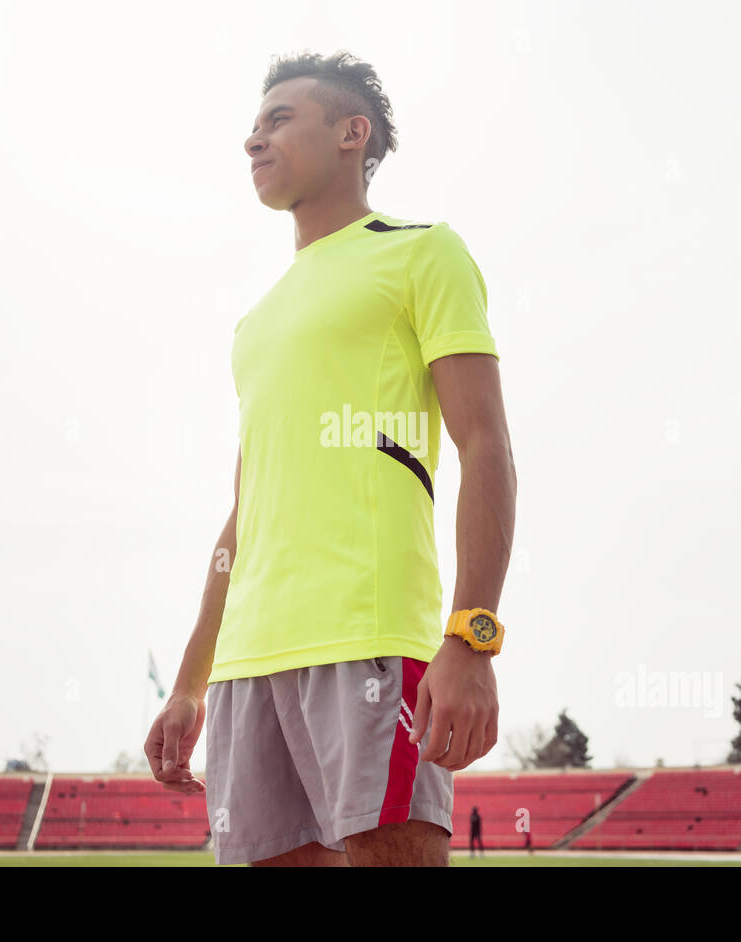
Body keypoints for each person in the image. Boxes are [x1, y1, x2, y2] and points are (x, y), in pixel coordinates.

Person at [143, 50, 517, 868]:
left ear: (354, 133)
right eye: (251, 126)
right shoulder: (256, 322)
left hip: (367, 640)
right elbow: (245, 515)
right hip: (248, 668)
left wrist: (473, 635)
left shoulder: (423, 253)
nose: (253, 140)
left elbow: (483, 443)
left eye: (278, 119)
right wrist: (188, 682)